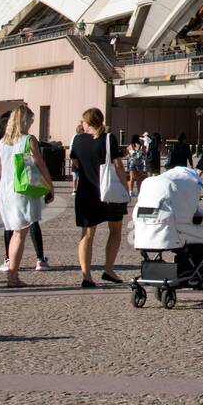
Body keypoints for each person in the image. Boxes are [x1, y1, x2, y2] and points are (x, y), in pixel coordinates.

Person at [0, 104, 53, 288]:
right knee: (19, 234)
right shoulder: (28, 140)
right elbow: (41, 164)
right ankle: (12, 276)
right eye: (30, 120)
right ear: (24, 121)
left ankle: (12, 271)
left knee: (15, 232)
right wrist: (50, 186)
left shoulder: (1, 143)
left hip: (5, 192)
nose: (32, 123)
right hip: (21, 192)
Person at [70, 107, 129, 287]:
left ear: (88, 123)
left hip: (86, 192)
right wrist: (126, 187)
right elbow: (118, 164)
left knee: (87, 234)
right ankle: (108, 269)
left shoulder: (77, 140)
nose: (82, 123)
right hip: (108, 191)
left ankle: (86, 276)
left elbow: (75, 161)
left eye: (83, 121)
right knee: (115, 230)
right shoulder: (108, 138)